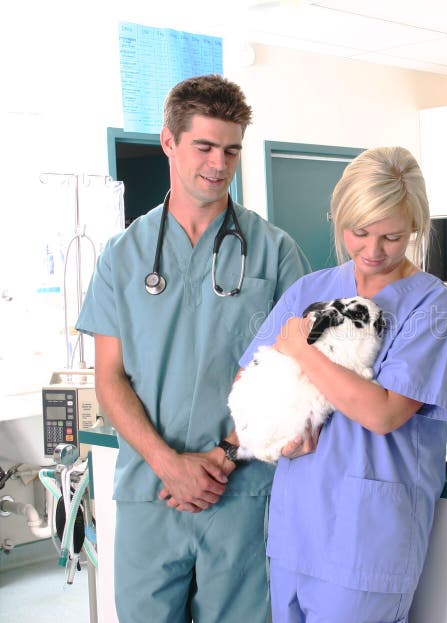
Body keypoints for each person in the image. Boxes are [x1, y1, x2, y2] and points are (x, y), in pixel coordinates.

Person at [76, 74, 310, 622]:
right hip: (150, 493)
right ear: (168, 142)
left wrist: (222, 457)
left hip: (243, 492)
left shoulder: (275, 253)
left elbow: (298, 378)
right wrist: (168, 463)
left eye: (231, 150)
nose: (218, 163)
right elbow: (108, 378)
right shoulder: (121, 256)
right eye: (204, 146)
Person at [236, 146, 447, 622]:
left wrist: (301, 351)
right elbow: (251, 380)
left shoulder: (433, 307)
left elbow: (381, 412)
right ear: (339, 219)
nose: (373, 251)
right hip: (296, 526)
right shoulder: (308, 290)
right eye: (359, 232)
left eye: (392, 237)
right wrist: (279, 437)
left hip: (368, 537)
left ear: (415, 229)